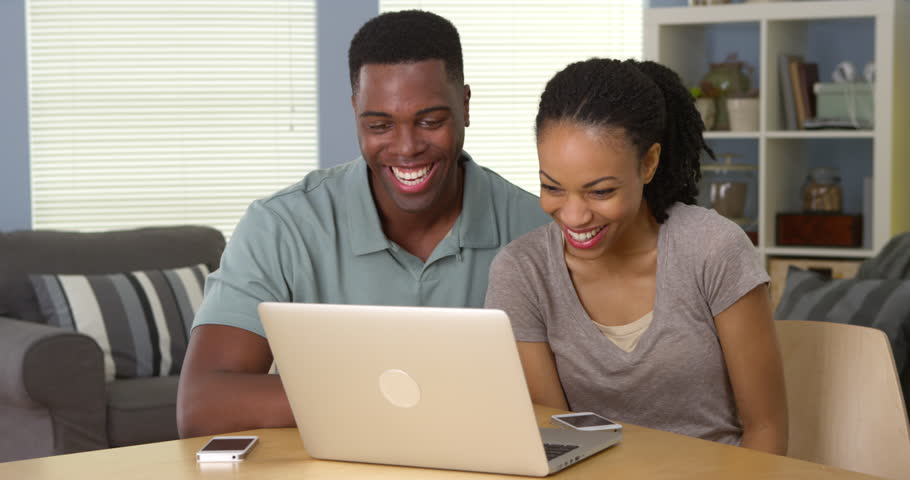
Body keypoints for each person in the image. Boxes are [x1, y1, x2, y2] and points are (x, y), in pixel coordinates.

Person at [177, 10, 550, 438]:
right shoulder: (281, 226)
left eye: (430, 121)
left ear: (465, 106)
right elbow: (202, 404)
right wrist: (406, 399)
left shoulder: (539, 227)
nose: (406, 147)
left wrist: (352, 398)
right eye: (379, 125)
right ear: (355, 111)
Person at [484, 58, 788, 454]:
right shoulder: (522, 273)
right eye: (552, 188)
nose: (574, 216)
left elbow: (767, 429)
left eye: (600, 191)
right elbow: (558, 437)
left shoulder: (712, 250)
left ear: (648, 163)